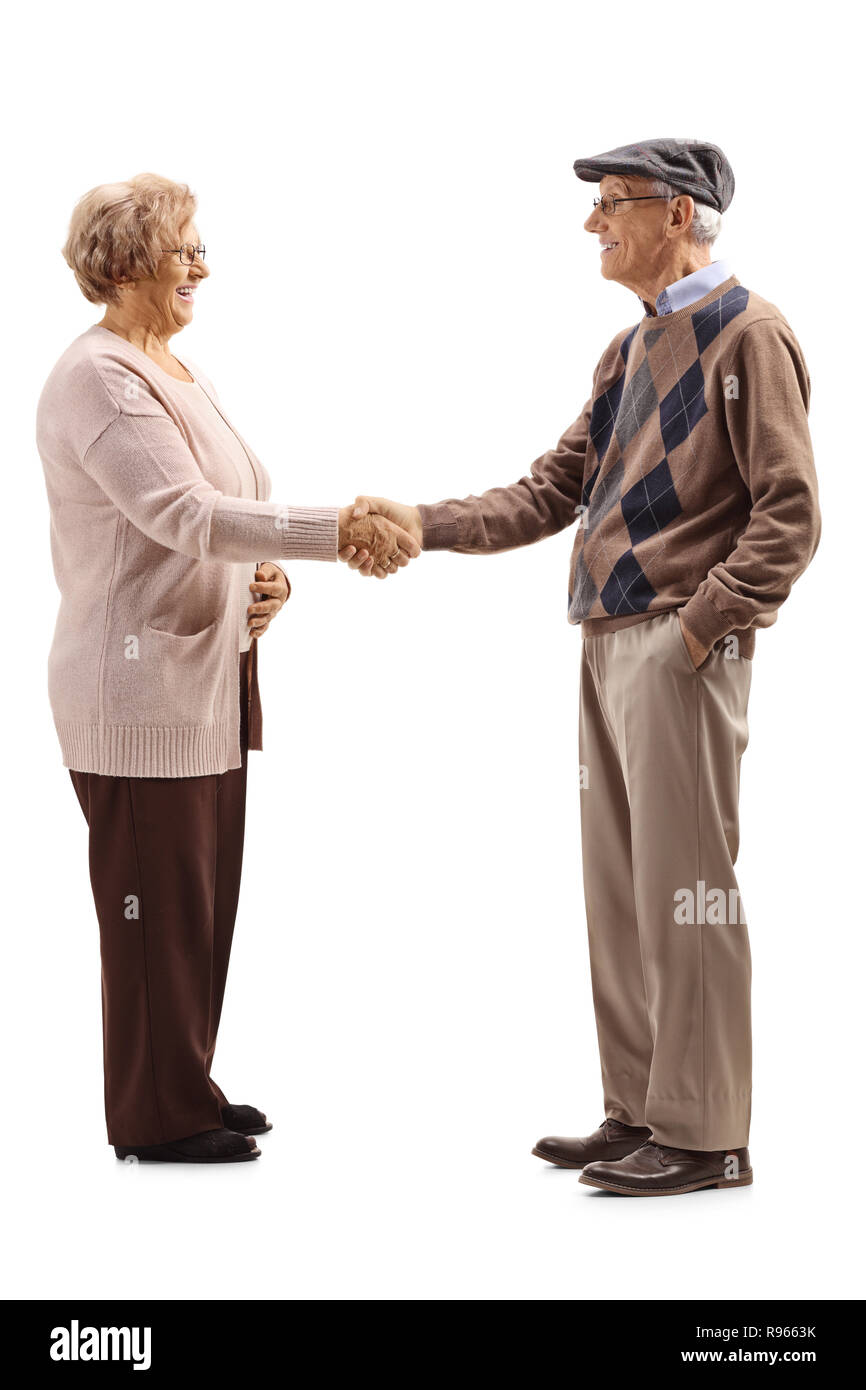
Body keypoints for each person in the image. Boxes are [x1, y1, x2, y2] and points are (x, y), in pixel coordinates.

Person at [348, 139, 821, 1196]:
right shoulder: (625, 352)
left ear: (679, 212)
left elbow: (788, 513)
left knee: (686, 885)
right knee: (621, 889)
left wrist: (702, 626)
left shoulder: (749, 333)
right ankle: (641, 1108)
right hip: (606, 640)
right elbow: (548, 489)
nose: (590, 223)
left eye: (611, 204)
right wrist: (416, 524)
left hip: (675, 646)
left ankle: (705, 1137)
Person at [38, 173, 419, 1164]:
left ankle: (186, 1084)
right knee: (151, 909)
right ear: (123, 265)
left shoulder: (176, 368)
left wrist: (266, 584)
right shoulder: (99, 379)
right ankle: (158, 1115)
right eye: (185, 247)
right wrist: (332, 534)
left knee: (197, 904)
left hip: (209, 679)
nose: (203, 264)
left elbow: (223, 523)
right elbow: (186, 517)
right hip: (137, 691)